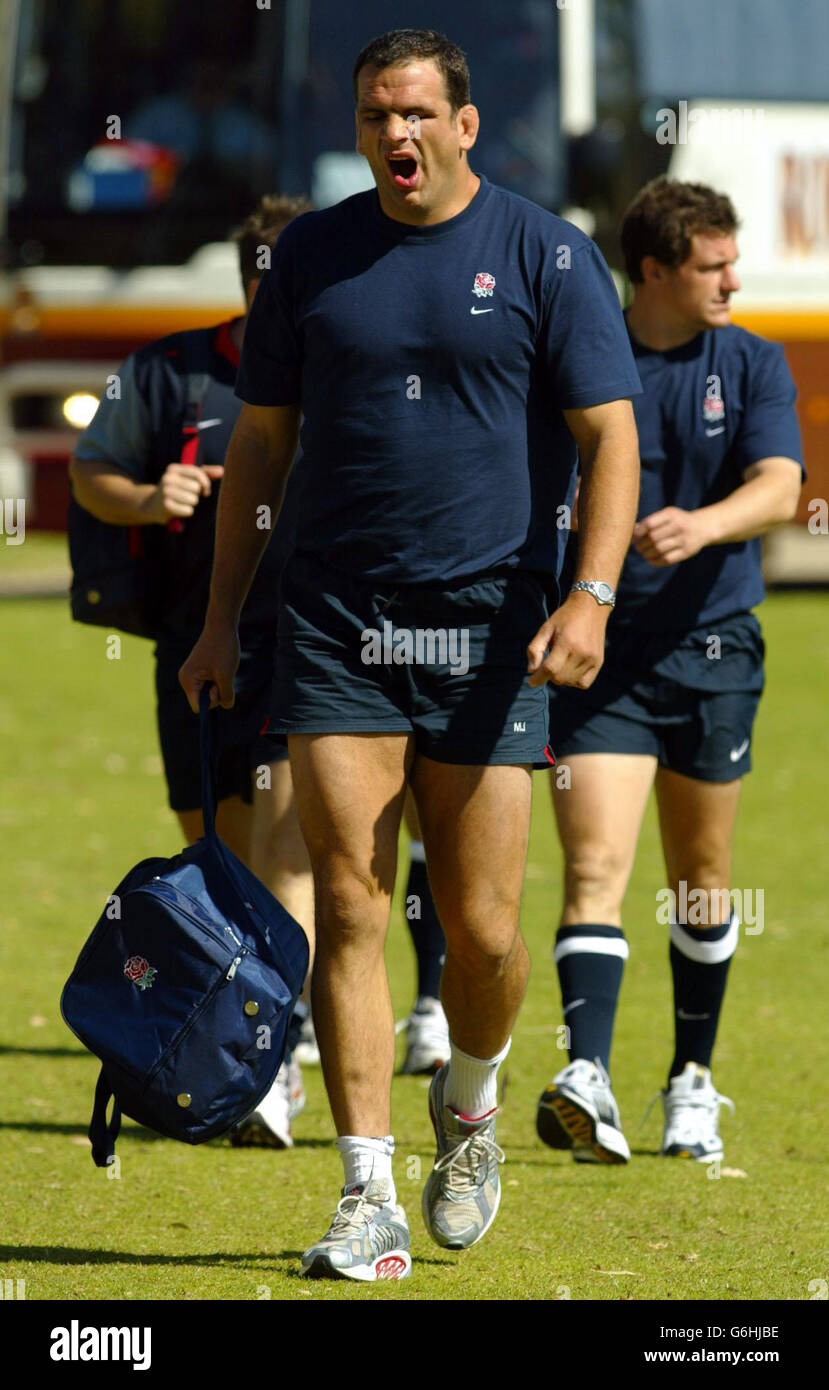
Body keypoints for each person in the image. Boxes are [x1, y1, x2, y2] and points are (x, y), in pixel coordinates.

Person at [180, 27, 641, 1282]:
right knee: (347, 904)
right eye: (377, 113)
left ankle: (474, 1102)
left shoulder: (546, 252)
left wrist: (590, 596)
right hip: (339, 625)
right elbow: (260, 449)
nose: (396, 134)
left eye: (418, 113)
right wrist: (224, 617)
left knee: (487, 934)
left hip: (492, 628)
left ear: (466, 124)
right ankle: (365, 1191)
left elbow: (611, 439)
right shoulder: (314, 256)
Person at [536, 178, 803, 1166]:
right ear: (652, 271)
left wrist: (704, 523)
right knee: (595, 867)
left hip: (713, 651)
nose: (734, 277)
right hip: (596, 651)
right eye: (712, 264)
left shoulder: (751, 359)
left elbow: (781, 485)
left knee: (698, 878)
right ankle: (586, 1073)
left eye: (732, 260)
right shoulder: (574, 354)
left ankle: (691, 1079)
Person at [69, 194, 315, 1149]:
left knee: (285, 854)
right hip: (195, 643)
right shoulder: (166, 369)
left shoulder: (334, 370)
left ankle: (276, 1068)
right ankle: (235, 1036)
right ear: (254, 280)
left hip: (305, 643)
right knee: (218, 857)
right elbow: (93, 468)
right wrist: (146, 494)